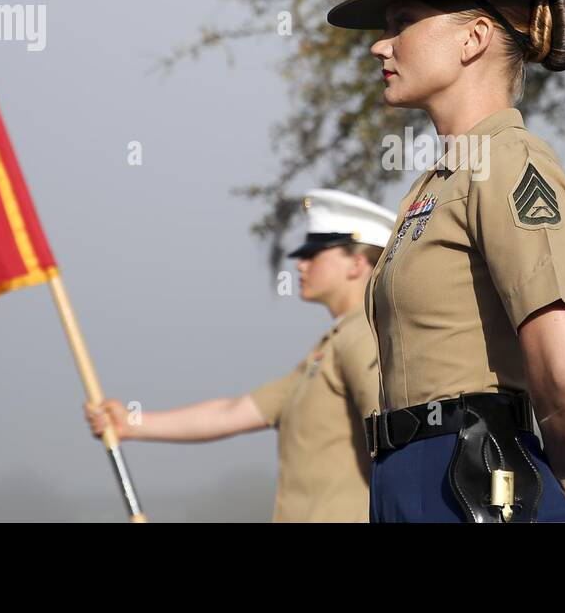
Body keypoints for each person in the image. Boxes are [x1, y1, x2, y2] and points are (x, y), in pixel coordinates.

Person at [326, 0, 565, 523]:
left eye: (401, 21)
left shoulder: (508, 162)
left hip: (476, 479)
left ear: (474, 37)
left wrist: (559, 464)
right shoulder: (442, 180)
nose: (380, 47)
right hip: (419, 478)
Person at [84, 189, 394, 522]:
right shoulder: (329, 348)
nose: (300, 264)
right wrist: (129, 423)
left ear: (357, 264)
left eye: (315, 253)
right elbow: (231, 413)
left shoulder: (362, 335)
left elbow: (390, 440)